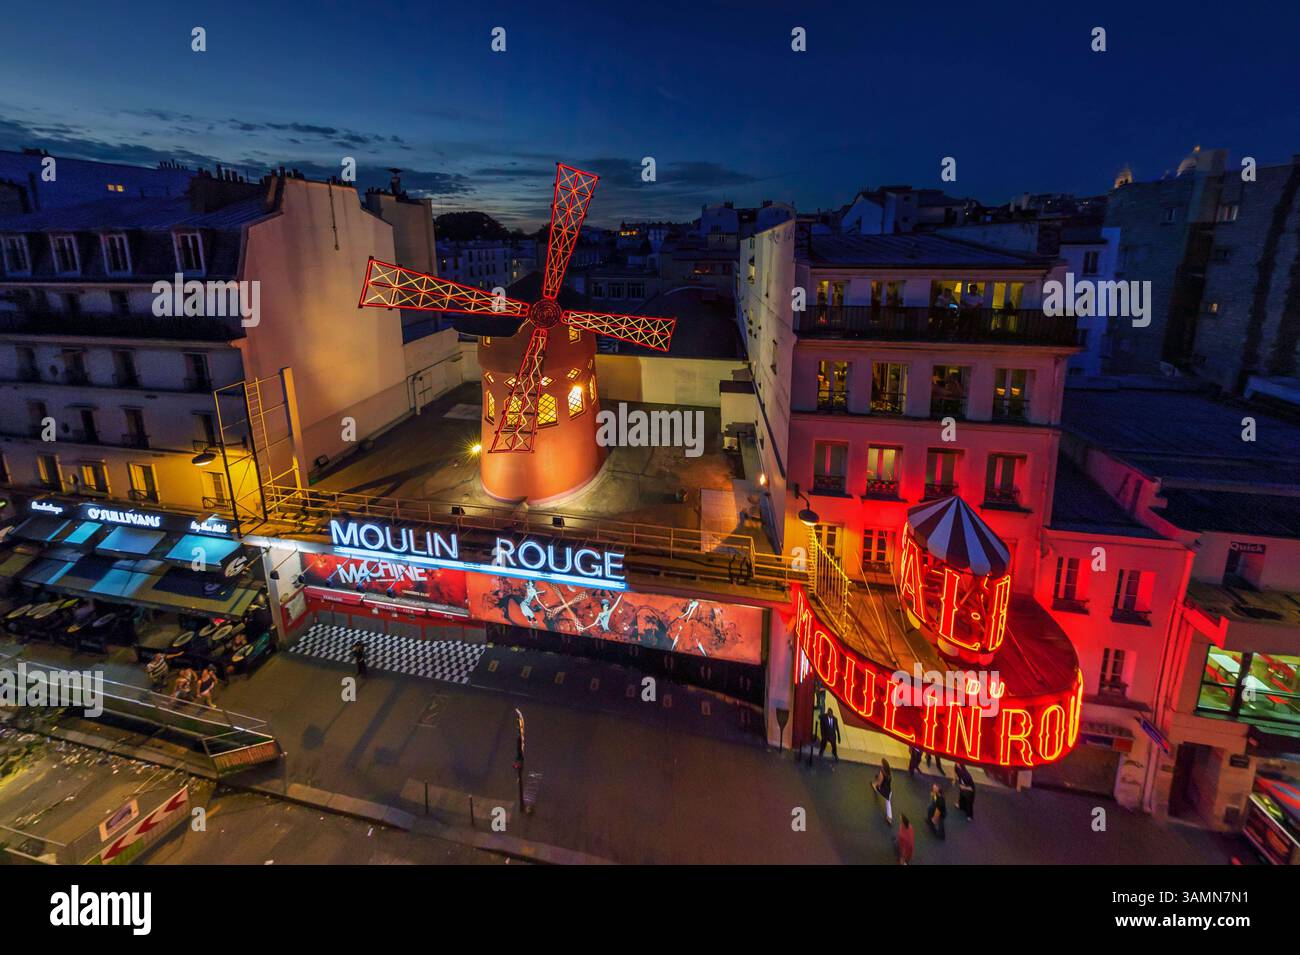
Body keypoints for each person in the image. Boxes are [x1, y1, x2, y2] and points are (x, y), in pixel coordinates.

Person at [872, 758, 894, 824]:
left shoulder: (882, 772)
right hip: (889, 790)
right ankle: (889, 818)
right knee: (888, 802)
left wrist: (877, 784)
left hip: (883, 790)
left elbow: (879, 782)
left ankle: (874, 786)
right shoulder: (889, 772)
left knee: (876, 784)